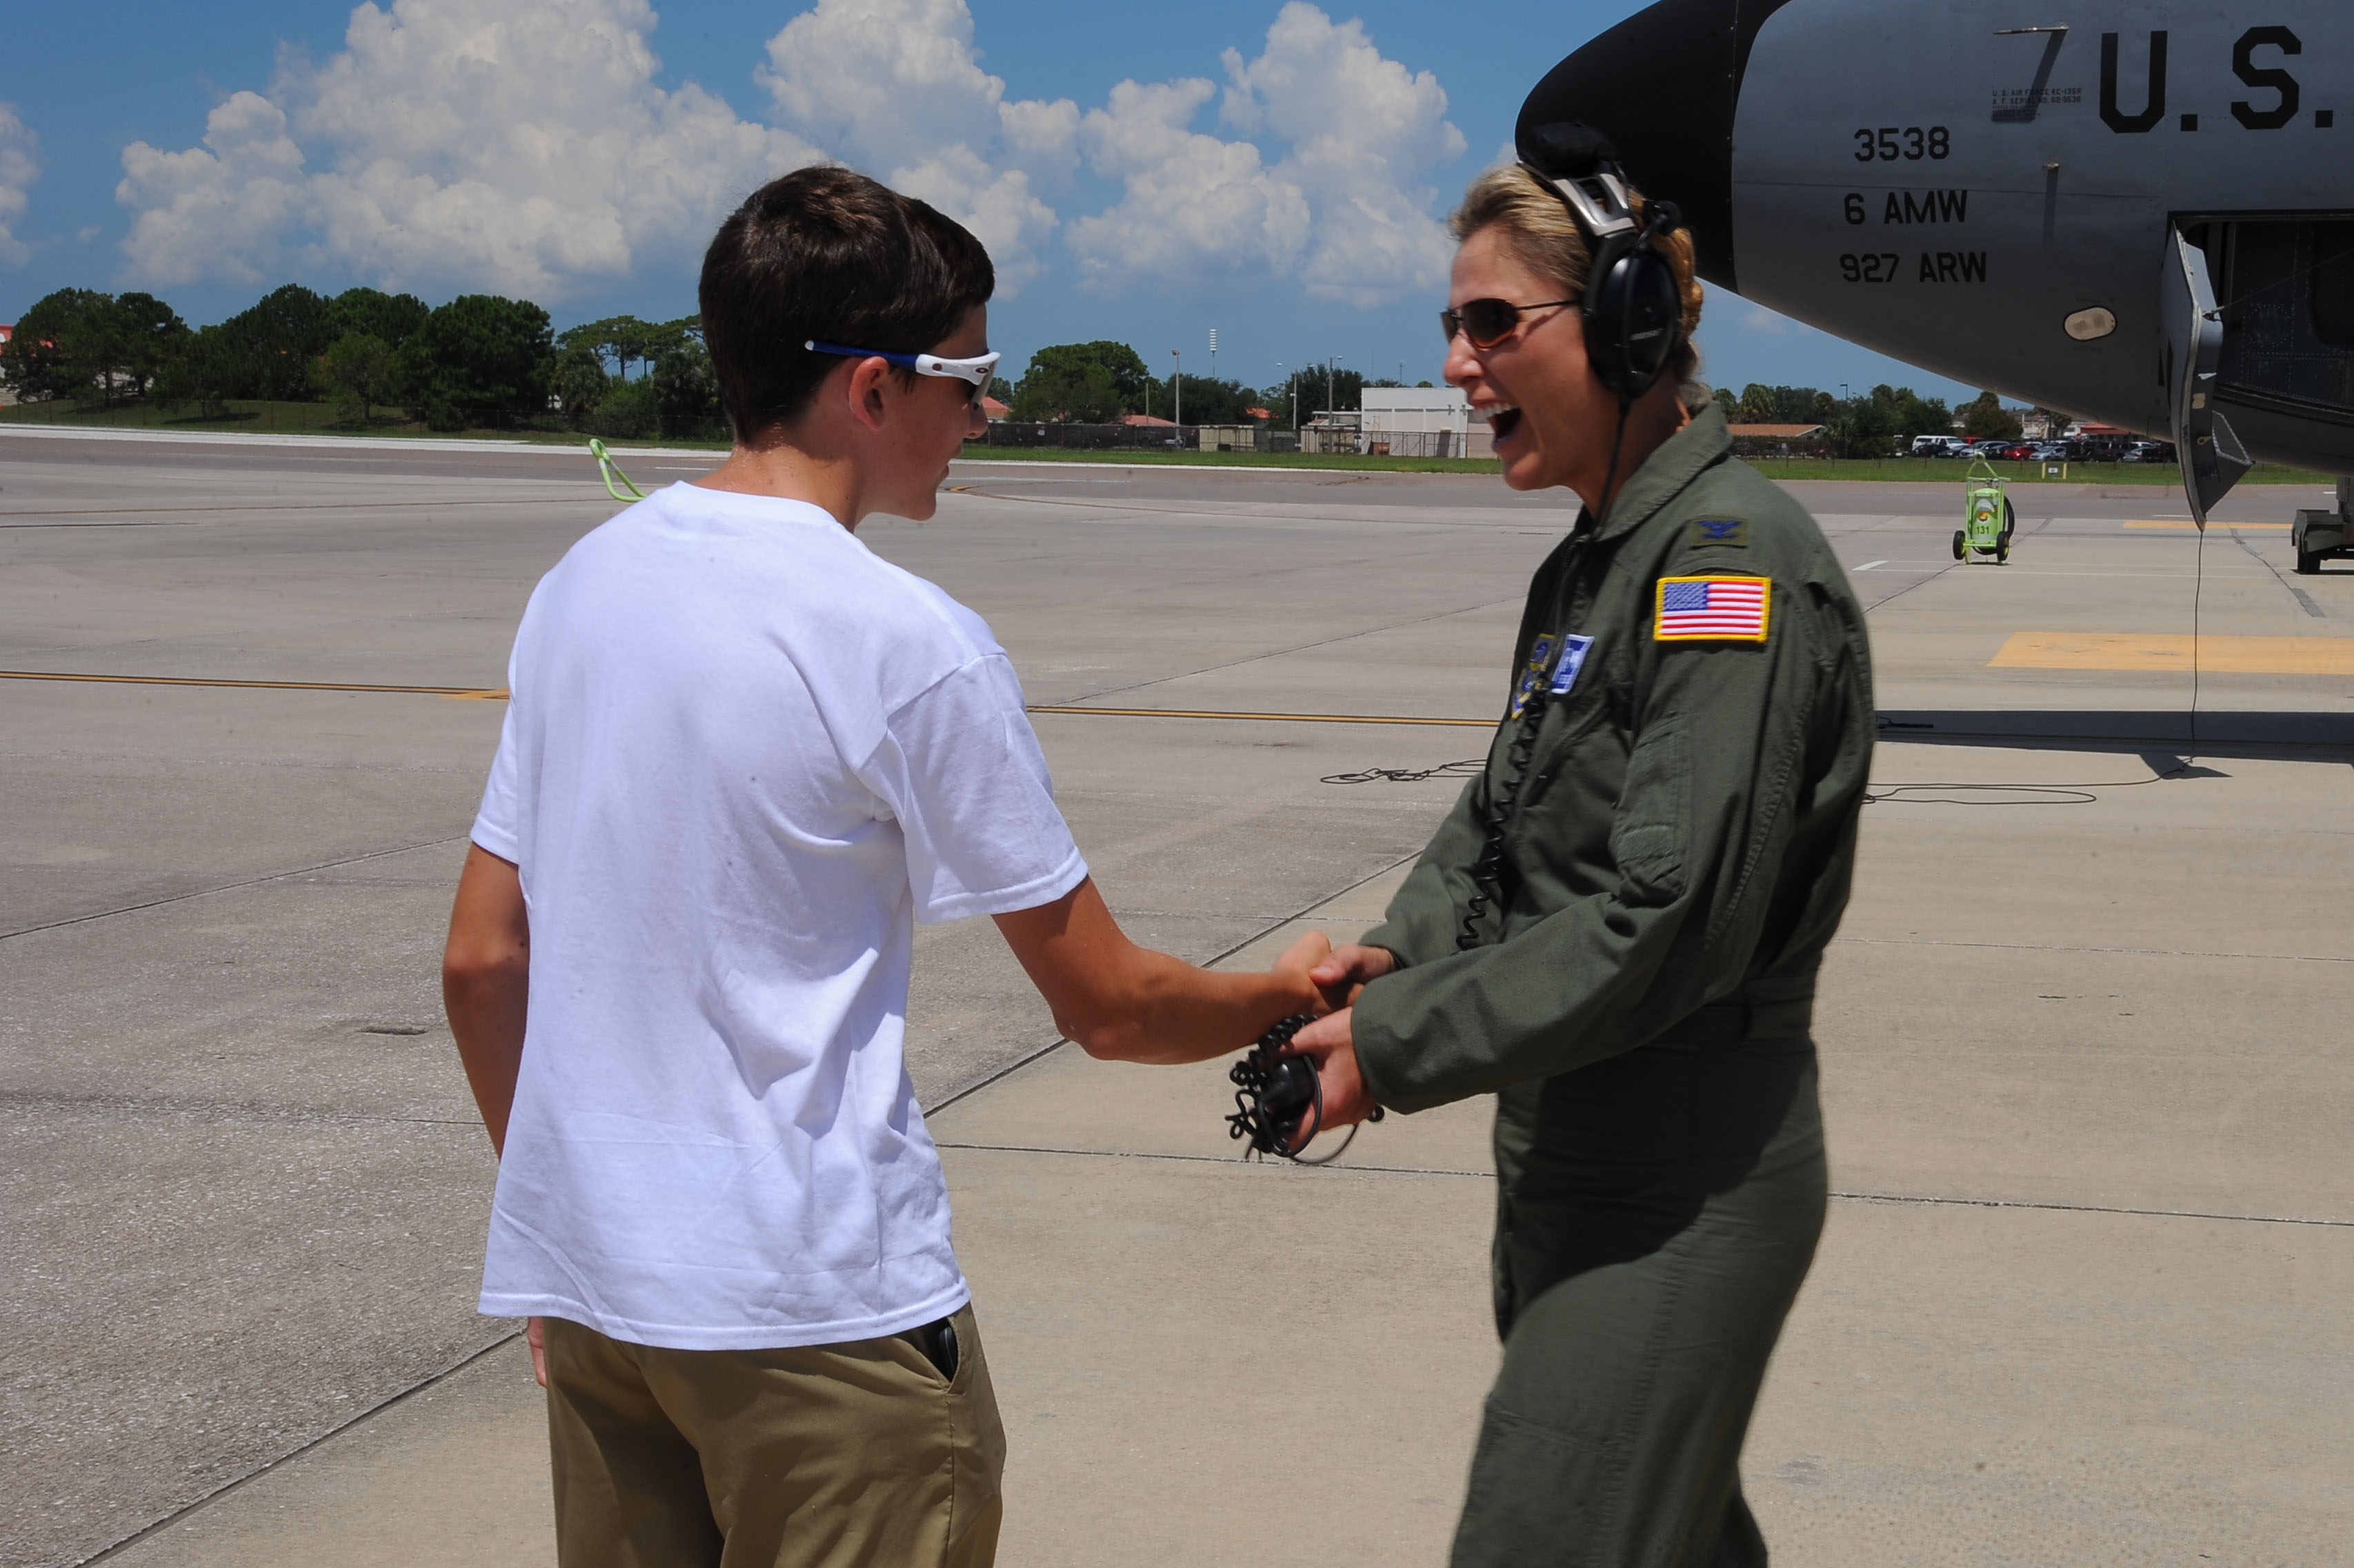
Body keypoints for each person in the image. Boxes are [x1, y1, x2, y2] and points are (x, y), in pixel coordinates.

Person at [440, 165, 1326, 1568]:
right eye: (969, 381)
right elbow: (1110, 1005)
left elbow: (482, 961)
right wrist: (1284, 991)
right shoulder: (906, 639)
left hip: (604, 1305)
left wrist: (566, 1241)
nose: (985, 416)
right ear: (869, 390)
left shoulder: (580, 592)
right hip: (817, 1323)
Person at [1288, 138, 1875, 1567]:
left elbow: (1666, 919)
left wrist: (1400, 1038)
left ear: (1624, 326)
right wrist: (1397, 953)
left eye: (1495, 322)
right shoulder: (1595, 561)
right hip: (1566, 1157)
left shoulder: (1727, 565)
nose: (1459, 365)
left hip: (1678, 1182)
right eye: (1451, 325)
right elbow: (1500, 815)